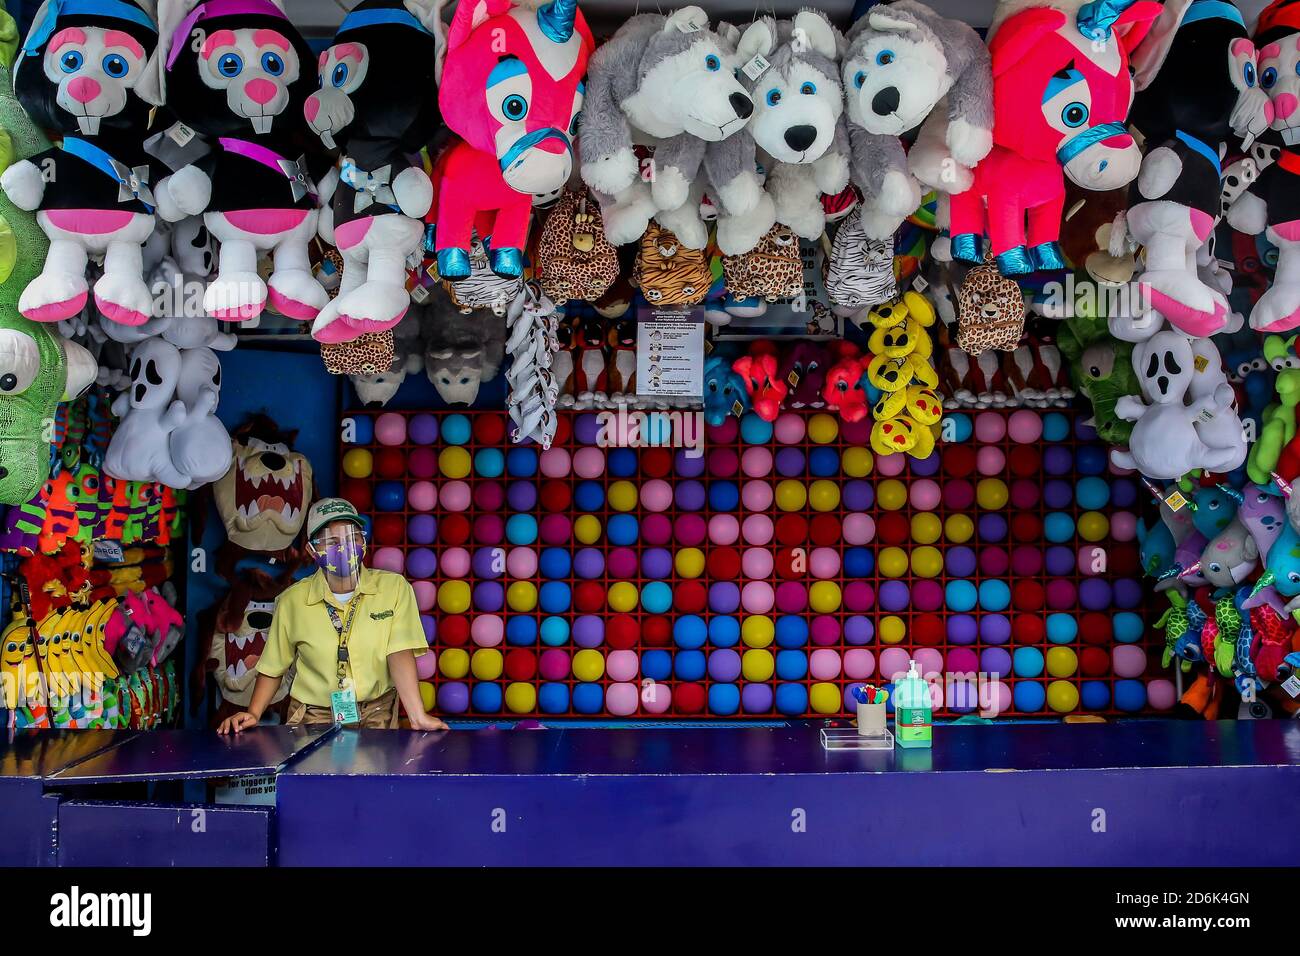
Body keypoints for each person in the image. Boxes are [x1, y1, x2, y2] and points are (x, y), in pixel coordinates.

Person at [218, 498, 448, 733]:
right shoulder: (292, 601)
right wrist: (254, 713)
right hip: (313, 715)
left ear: (363, 542)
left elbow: (399, 652)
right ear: (312, 550)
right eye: (332, 541)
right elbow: (273, 666)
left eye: (353, 538)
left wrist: (417, 716)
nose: (344, 547)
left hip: (377, 712)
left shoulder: (394, 589)